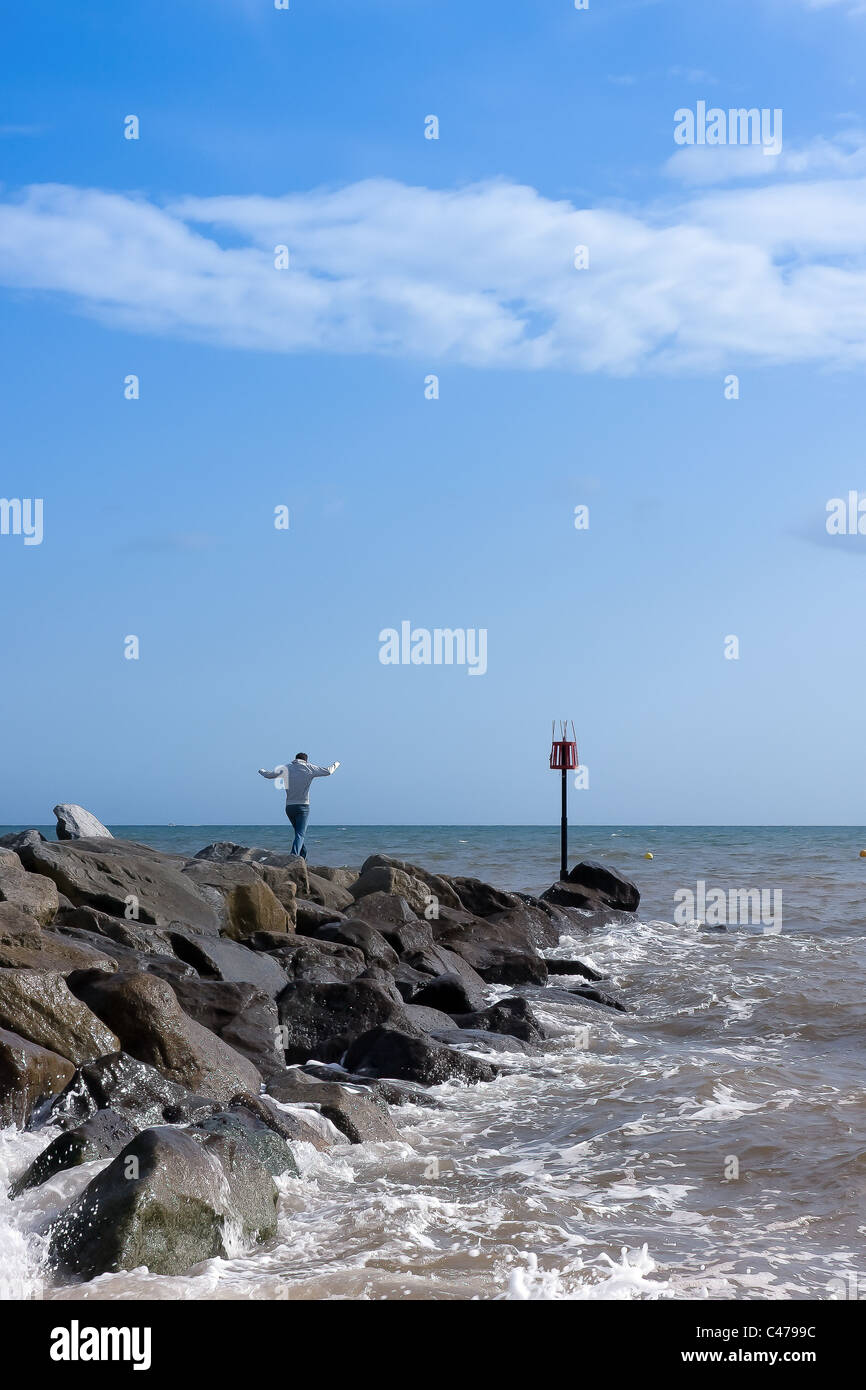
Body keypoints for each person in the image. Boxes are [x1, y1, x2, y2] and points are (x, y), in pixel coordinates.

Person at [258, 752, 340, 859]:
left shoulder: (286, 768)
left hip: (289, 807)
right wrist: (337, 763)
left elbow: (269, 775)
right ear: (306, 760)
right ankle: (293, 857)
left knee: (298, 834)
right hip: (303, 807)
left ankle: (303, 856)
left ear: (295, 759)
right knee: (300, 834)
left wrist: (261, 770)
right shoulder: (309, 767)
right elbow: (328, 771)